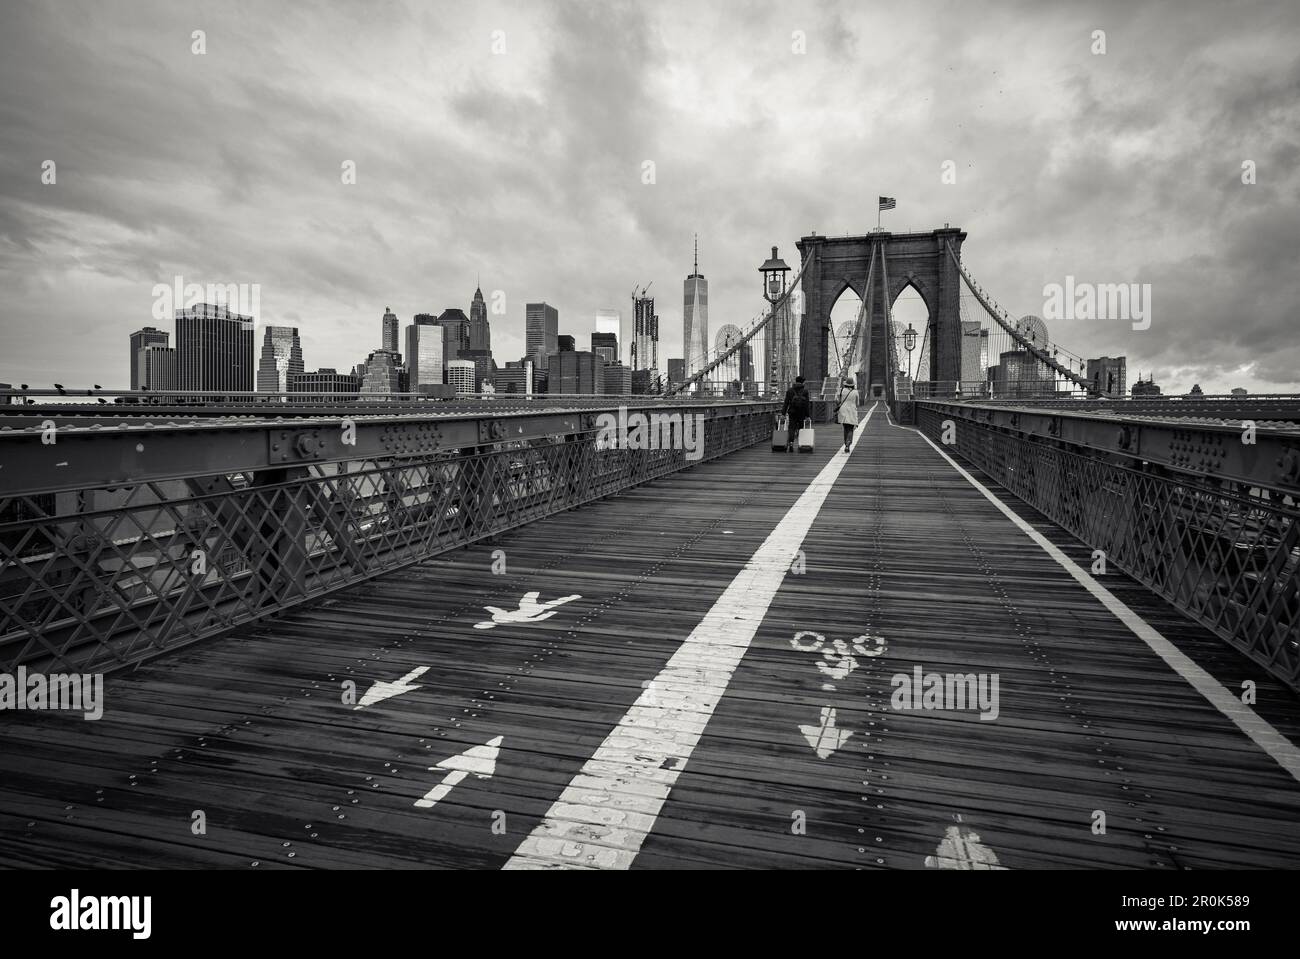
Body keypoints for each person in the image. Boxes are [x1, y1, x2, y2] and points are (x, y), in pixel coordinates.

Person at [781, 376, 811, 451]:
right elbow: (807, 404)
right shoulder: (805, 391)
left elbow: (786, 403)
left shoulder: (790, 391)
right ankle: (801, 444)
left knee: (791, 428)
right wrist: (807, 415)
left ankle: (791, 443)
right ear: (802, 382)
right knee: (801, 428)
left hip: (792, 412)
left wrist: (783, 414)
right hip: (802, 413)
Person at [834, 376, 860, 452]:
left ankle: (846, 443)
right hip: (852, 411)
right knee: (851, 428)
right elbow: (857, 403)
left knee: (845, 428)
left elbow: (837, 399)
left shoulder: (842, 390)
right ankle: (848, 444)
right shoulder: (855, 392)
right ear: (853, 384)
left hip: (843, 411)